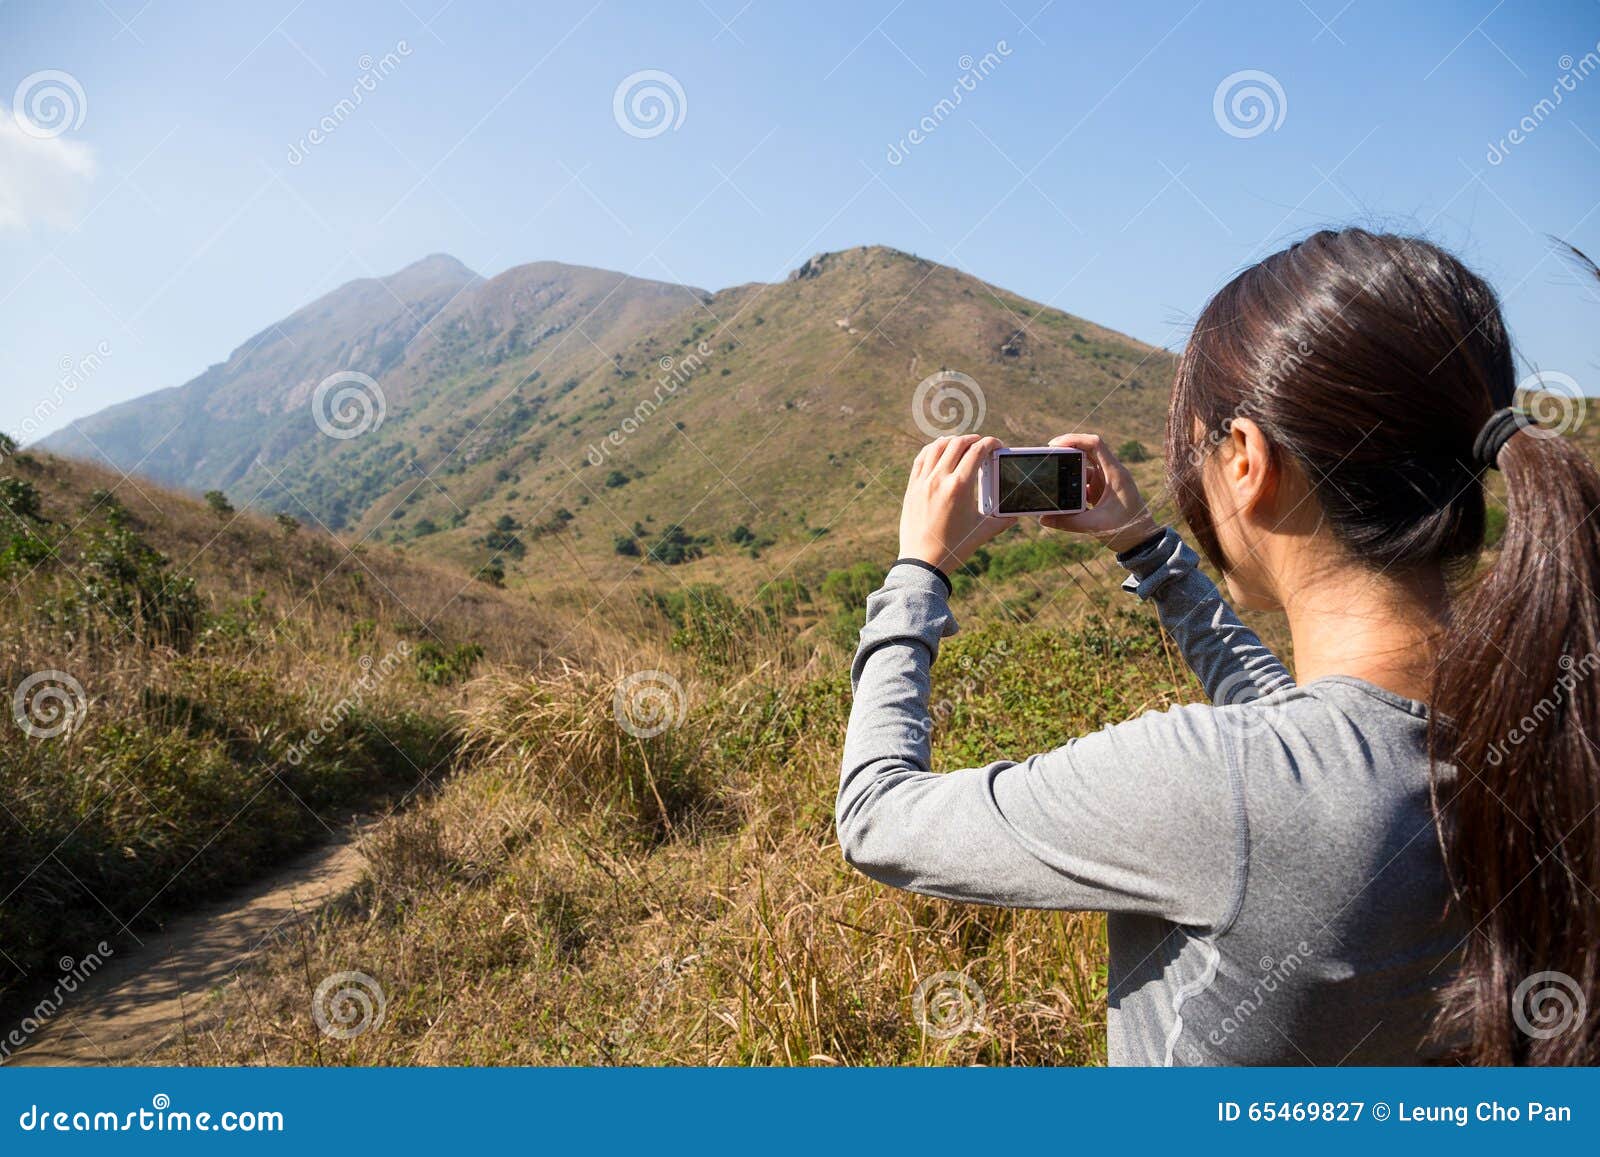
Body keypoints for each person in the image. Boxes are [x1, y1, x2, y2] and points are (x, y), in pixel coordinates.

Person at [837, 229, 1600, 1066]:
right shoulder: (1550, 730)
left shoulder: (1211, 782)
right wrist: (1147, 550)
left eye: (1200, 448)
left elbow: (878, 818)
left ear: (1245, 459)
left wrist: (919, 571)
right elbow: (1311, 748)